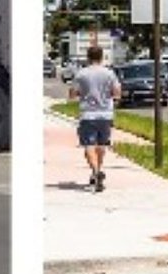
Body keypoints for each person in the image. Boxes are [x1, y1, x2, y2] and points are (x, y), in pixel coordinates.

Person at [69, 46, 121, 192]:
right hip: (105, 114)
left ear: (88, 57)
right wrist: (112, 100)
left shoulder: (81, 74)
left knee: (88, 145)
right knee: (102, 145)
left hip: (87, 114)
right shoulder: (110, 73)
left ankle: (96, 172)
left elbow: (72, 94)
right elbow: (117, 92)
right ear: (102, 57)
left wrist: (81, 94)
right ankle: (97, 171)